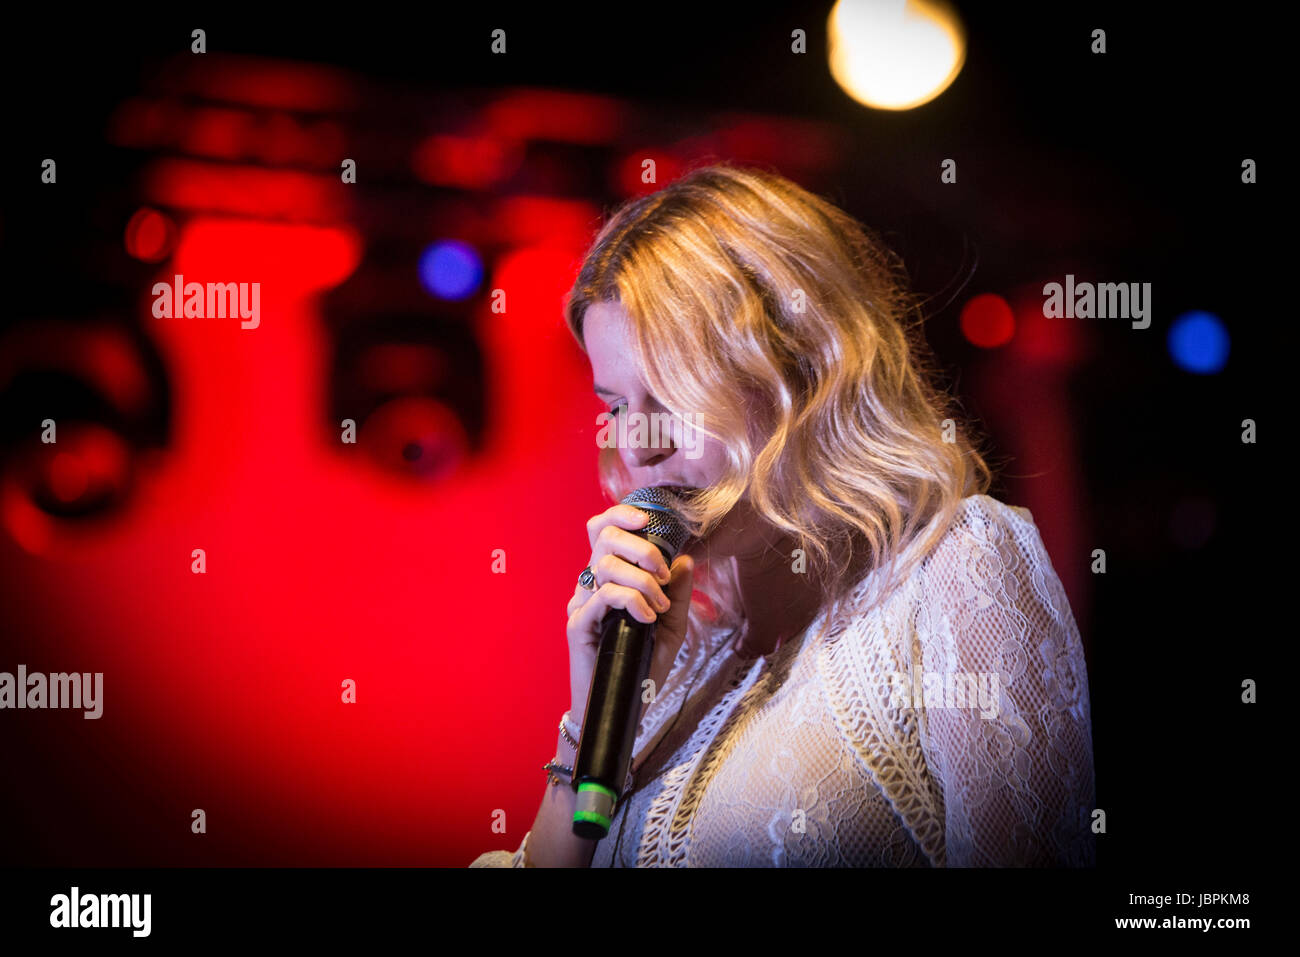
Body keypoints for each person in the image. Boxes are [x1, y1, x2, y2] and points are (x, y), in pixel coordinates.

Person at [470, 162, 1096, 867]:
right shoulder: (678, 648)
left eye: (675, 394)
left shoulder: (955, 566)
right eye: (616, 406)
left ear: (803, 373)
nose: (640, 450)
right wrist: (591, 729)